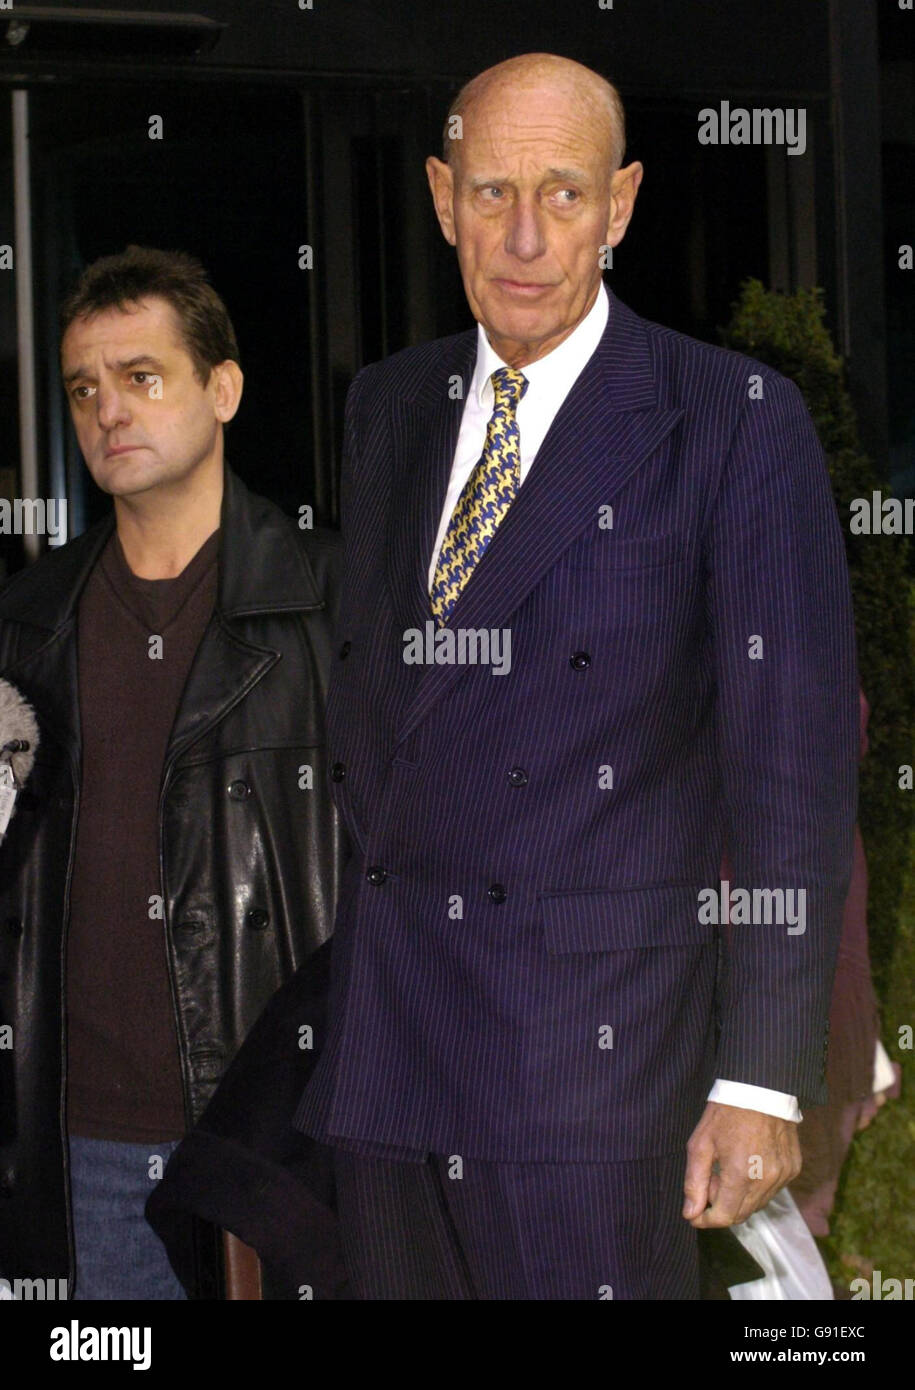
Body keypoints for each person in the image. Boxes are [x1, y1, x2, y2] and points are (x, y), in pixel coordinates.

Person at [293, 54, 859, 1300]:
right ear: (443, 201)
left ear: (623, 203)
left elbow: (791, 773)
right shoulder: (389, 408)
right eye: (492, 192)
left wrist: (759, 1078)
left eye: (565, 192)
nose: (527, 235)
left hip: (596, 1071)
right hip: (393, 1049)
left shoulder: (731, 420)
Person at [0, 246, 344, 1299]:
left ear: (223, 389)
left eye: (142, 377)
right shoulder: (29, 624)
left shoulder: (332, 604)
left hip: (274, 1148)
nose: (109, 410)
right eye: (85, 389)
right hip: (82, 1149)